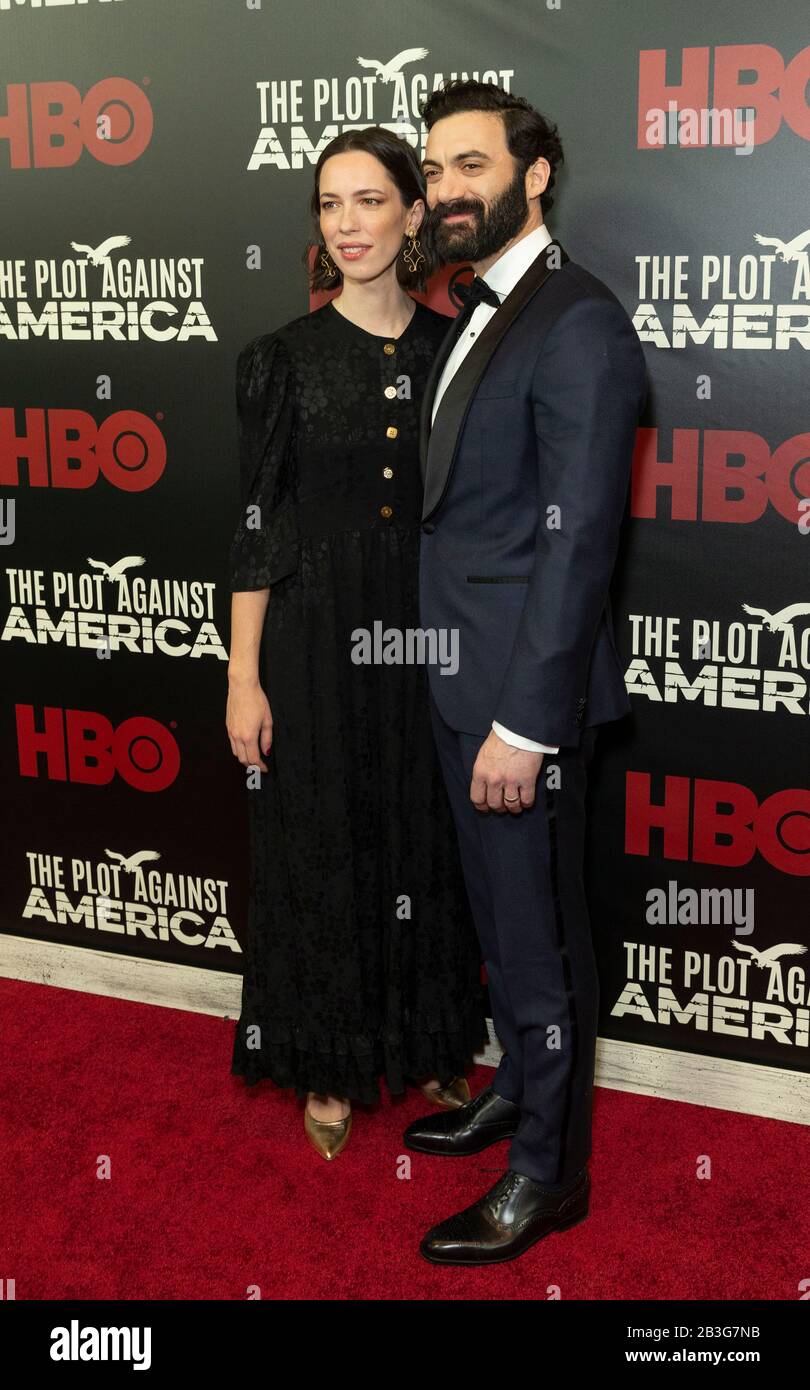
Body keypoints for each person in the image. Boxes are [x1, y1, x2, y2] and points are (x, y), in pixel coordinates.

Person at [403, 79, 648, 1263]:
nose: (446, 189)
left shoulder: (578, 321)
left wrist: (528, 724)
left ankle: (549, 1173)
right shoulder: (477, 308)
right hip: (463, 686)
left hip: (518, 709)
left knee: (540, 939)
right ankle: (515, 1097)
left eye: (470, 165)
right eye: (435, 170)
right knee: (505, 923)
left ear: (534, 173)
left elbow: (577, 543)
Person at [225, 126, 488, 1161]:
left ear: (414, 213)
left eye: (370, 201)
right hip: (311, 639)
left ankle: (424, 1035)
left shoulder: (455, 354)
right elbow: (256, 528)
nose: (348, 225)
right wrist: (243, 675)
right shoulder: (279, 362)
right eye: (330, 206)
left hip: (426, 632)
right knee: (325, 838)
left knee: (420, 832)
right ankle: (329, 1060)